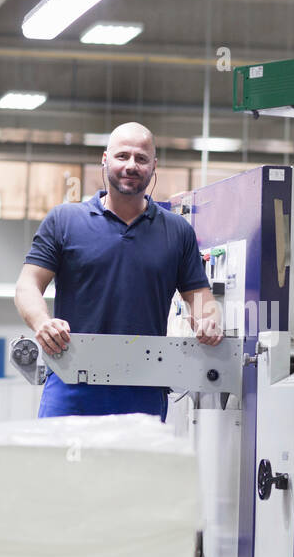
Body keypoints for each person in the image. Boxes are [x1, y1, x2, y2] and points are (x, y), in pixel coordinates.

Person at [14, 122, 222, 419]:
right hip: (71, 381)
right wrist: (41, 322)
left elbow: (198, 294)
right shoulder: (64, 221)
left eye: (141, 158)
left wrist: (209, 320)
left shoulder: (177, 231)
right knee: (59, 452)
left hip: (144, 386)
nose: (131, 166)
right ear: (105, 159)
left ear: (154, 165)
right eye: (122, 156)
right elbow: (28, 285)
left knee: (138, 454)